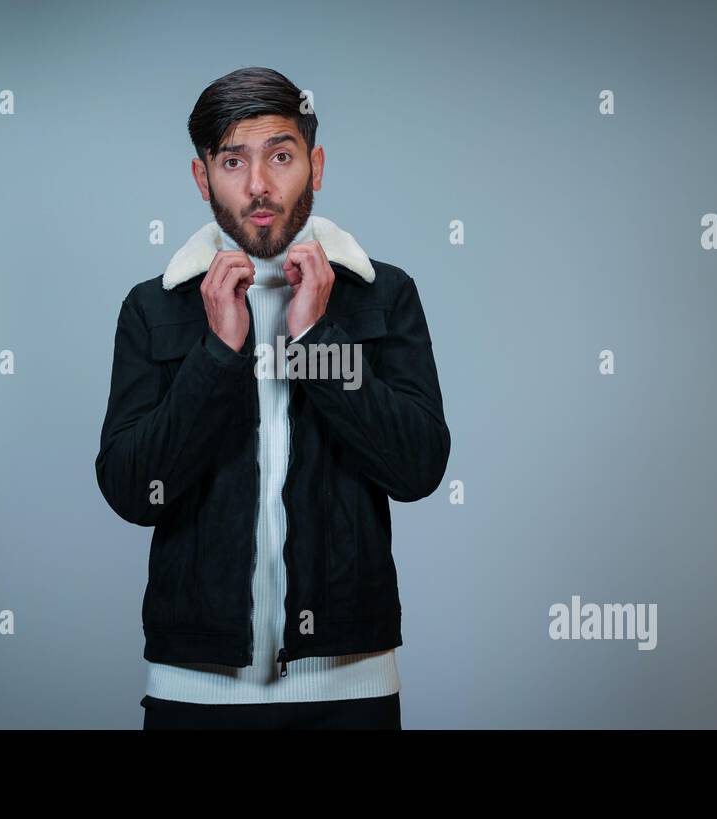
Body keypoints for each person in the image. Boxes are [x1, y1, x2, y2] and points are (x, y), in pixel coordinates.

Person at [95, 66, 451, 729]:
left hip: (351, 688)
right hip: (195, 691)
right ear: (202, 177)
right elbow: (132, 491)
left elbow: (418, 468)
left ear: (316, 166)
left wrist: (316, 341)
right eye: (233, 161)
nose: (259, 184)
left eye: (280, 156)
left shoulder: (383, 294)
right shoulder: (154, 308)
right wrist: (216, 356)